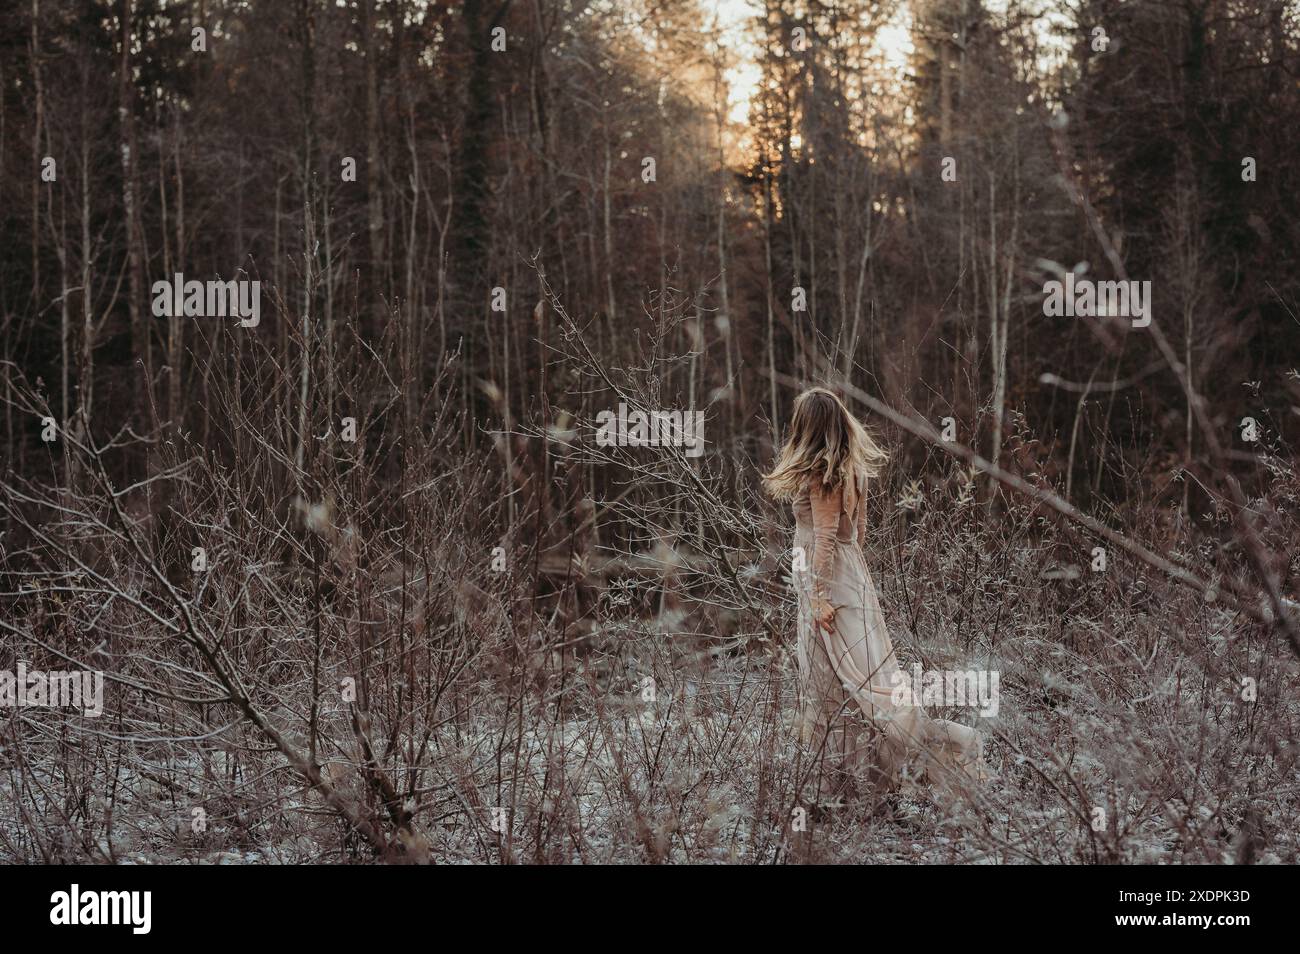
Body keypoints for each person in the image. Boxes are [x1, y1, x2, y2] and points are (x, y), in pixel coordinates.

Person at [763, 387, 987, 807]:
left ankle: (943, 753)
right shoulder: (850, 471)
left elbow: (826, 536)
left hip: (828, 591)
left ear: (809, 427)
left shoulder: (823, 473)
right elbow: (858, 535)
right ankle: (858, 787)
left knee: (847, 689)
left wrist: (816, 596)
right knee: (861, 685)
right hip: (849, 582)